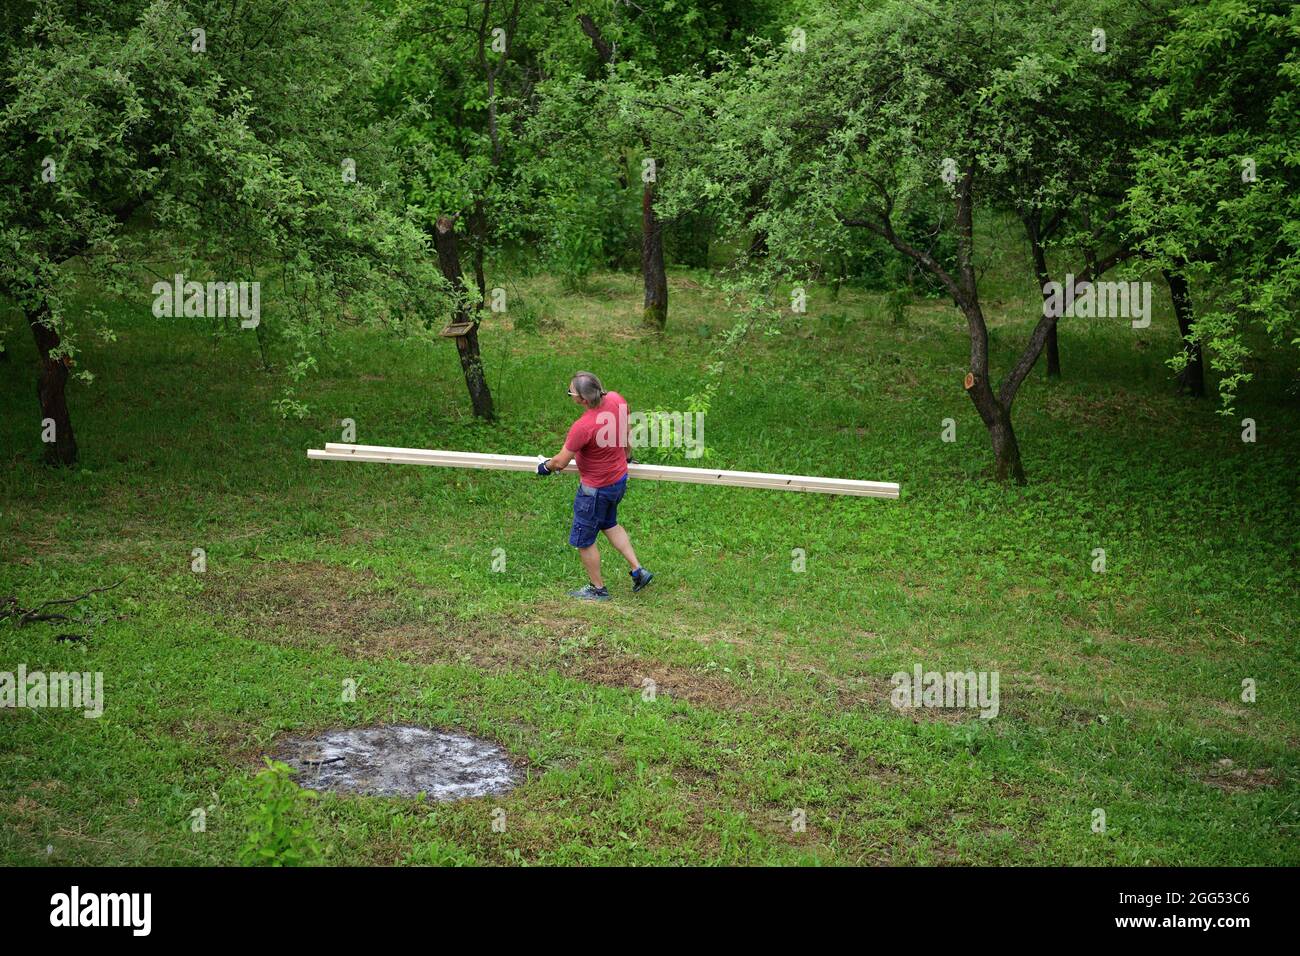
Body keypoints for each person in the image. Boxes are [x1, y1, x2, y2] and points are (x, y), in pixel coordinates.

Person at [536, 372, 653, 601]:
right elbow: (626, 432)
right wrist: (627, 456)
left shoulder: (584, 426)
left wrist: (544, 467)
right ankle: (639, 571)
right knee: (610, 524)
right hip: (618, 481)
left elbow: (560, 461)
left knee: (584, 540)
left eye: (571, 392)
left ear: (582, 399)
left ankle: (598, 590)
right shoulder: (617, 399)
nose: (570, 395)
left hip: (595, 491)